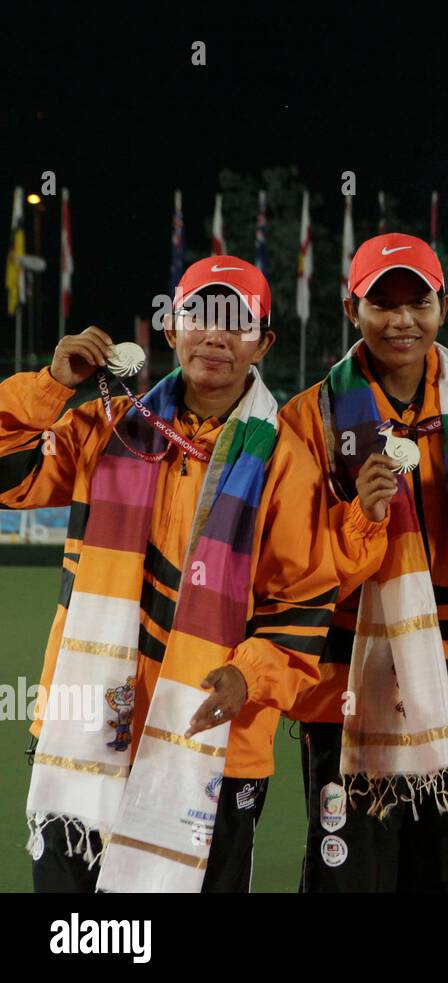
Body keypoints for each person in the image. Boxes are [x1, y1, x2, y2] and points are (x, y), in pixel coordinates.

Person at [1, 256, 339, 892]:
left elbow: (302, 599)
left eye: (235, 320)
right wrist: (51, 384)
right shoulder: (105, 426)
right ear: (171, 329)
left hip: (213, 736)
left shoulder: (286, 460)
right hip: (89, 725)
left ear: (264, 342)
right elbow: (8, 476)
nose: (214, 335)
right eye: (198, 316)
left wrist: (249, 674)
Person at [280, 232, 448, 892]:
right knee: (350, 877)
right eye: (380, 303)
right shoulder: (308, 417)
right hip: (346, 696)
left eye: (416, 302)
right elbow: (289, 567)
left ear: (442, 306)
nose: (400, 320)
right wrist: (356, 514)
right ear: (350, 310)